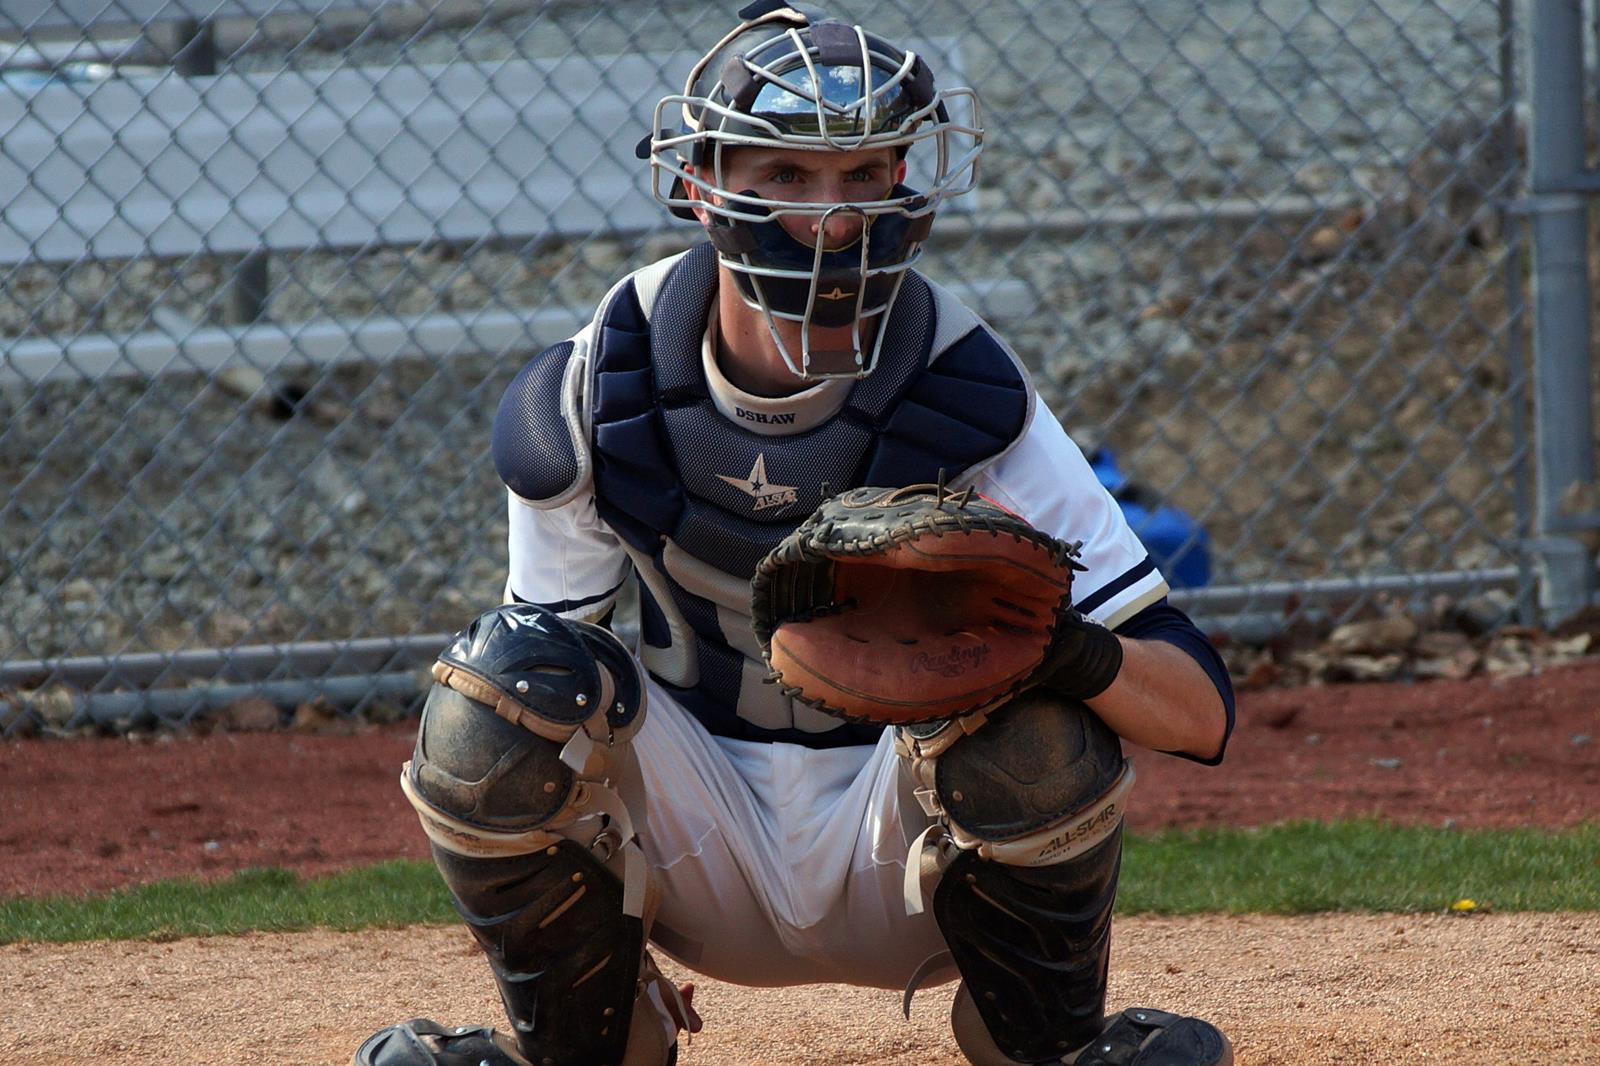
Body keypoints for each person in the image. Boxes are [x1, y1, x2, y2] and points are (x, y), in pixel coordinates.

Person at [355, 3, 1235, 1064]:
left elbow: (1197, 713)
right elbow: (542, 678)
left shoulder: (963, 386)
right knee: (501, 695)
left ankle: (1040, 1045)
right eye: (787, 174)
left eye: (866, 175)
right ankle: (589, 1041)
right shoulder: (603, 386)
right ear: (699, 184)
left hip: (905, 850)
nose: (833, 219)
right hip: (690, 855)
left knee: (1034, 715)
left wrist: (1060, 649)